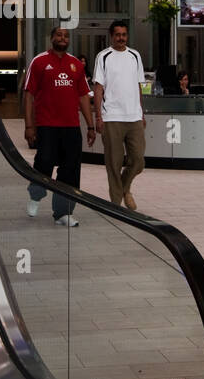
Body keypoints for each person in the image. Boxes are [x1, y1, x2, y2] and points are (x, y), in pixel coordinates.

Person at [24, 25, 95, 226]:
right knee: (44, 162)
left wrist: (90, 126)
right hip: (46, 125)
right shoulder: (39, 62)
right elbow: (28, 95)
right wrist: (29, 126)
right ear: (52, 38)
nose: (63, 38)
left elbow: (83, 97)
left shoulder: (76, 65)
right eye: (59, 35)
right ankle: (36, 195)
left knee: (70, 170)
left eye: (66, 36)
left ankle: (63, 213)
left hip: (71, 127)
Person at [92, 20, 146, 211]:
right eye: (118, 35)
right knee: (113, 164)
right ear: (111, 36)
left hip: (134, 117)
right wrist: (98, 117)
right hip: (112, 118)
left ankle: (125, 188)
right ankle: (116, 206)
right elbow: (98, 88)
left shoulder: (135, 56)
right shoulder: (104, 57)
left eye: (124, 34)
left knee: (138, 160)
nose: (121, 38)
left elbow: (138, 85)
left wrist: (141, 112)